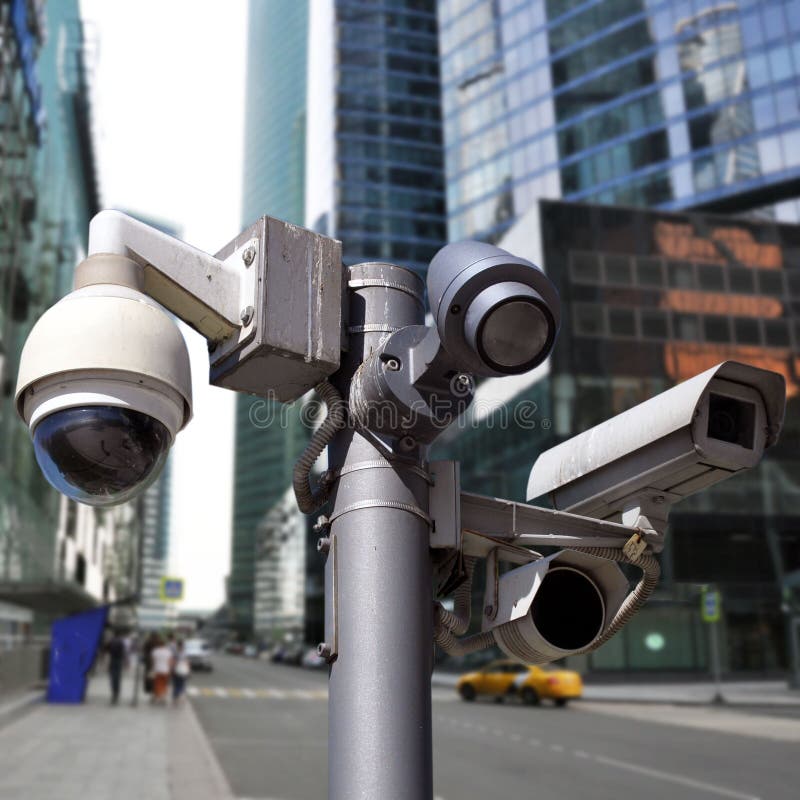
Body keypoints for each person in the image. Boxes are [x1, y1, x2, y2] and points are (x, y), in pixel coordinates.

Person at [150, 635, 173, 705]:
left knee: (157, 684)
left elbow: (152, 661)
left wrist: (152, 668)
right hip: (165, 670)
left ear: (158, 644)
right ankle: (163, 698)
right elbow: (170, 662)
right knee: (164, 684)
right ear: (164, 645)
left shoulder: (155, 651)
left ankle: (157, 697)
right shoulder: (168, 652)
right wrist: (170, 670)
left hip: (157, 670)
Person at [105, 629, 127, 705]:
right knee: (117, 677)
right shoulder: (121, 642)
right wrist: (126, 662)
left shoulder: (111, 641)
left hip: (112, 660)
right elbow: (123, 652)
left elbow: (106, 649)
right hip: (119, 661)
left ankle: (114, 693)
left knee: (112, 677)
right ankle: (116, 693)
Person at [172, 640, 190, 706]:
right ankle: (180, 697)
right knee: (182, 684)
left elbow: (173, 662)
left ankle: (175, 698)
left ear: (177, 646)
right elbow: (187, 663)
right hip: (183, 671)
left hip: (176, 670)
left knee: (176, 684)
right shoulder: (185, 653)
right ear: (183, 646)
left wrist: (172, 669)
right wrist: (188, 671)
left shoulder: (175, 653)